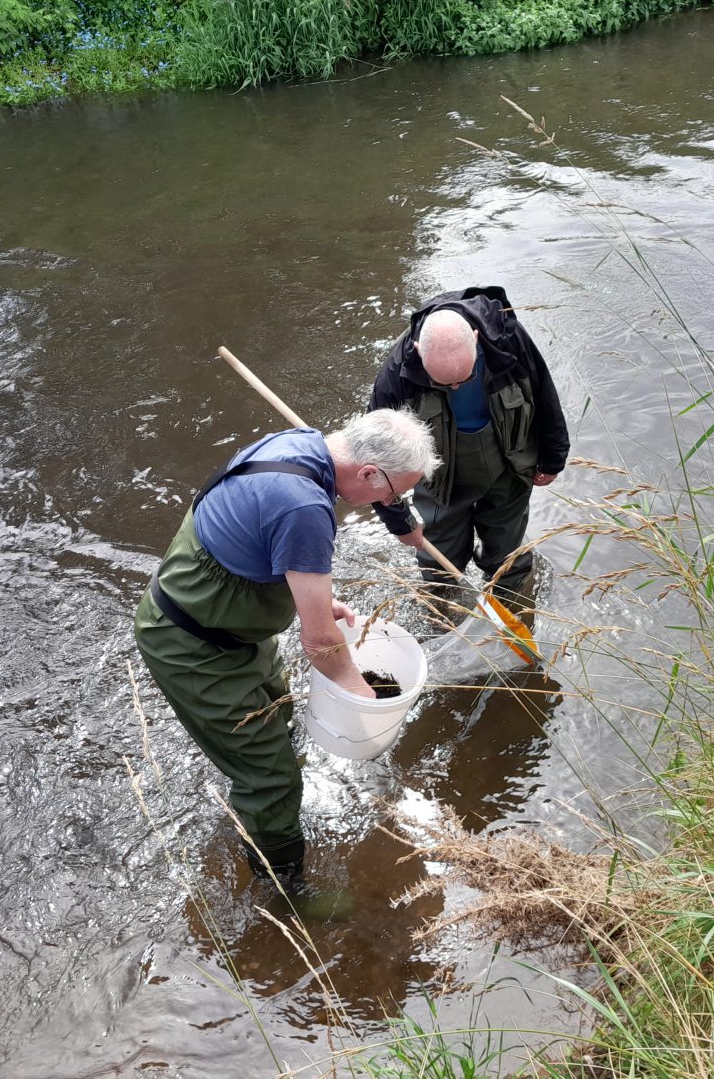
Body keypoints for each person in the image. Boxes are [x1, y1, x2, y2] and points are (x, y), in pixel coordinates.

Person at [133, 409, 439, 887]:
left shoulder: (302, 445)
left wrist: (310, 596)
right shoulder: (304, 509)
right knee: (269, 777)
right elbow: (320, 644)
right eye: (391, 493)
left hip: (234, 626)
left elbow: (253, 536)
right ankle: (283, 884)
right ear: (368, 473)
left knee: (281, 719)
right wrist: (361, 693)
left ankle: (261, 798)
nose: (385, 502)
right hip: (192, 644)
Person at [367, 285, 569, 611]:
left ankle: (515, 620)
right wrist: (398, 521)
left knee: (509, 561)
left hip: (508, 463)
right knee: (439, 565)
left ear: (476, 338)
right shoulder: (396, 373)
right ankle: (445, 624)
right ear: (418, 351)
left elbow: (545, 393)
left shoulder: (509, 338)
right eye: (446, 384)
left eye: (464, 376)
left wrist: (553, 458)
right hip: (440, 474)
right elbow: (373, 459)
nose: (457, 387)